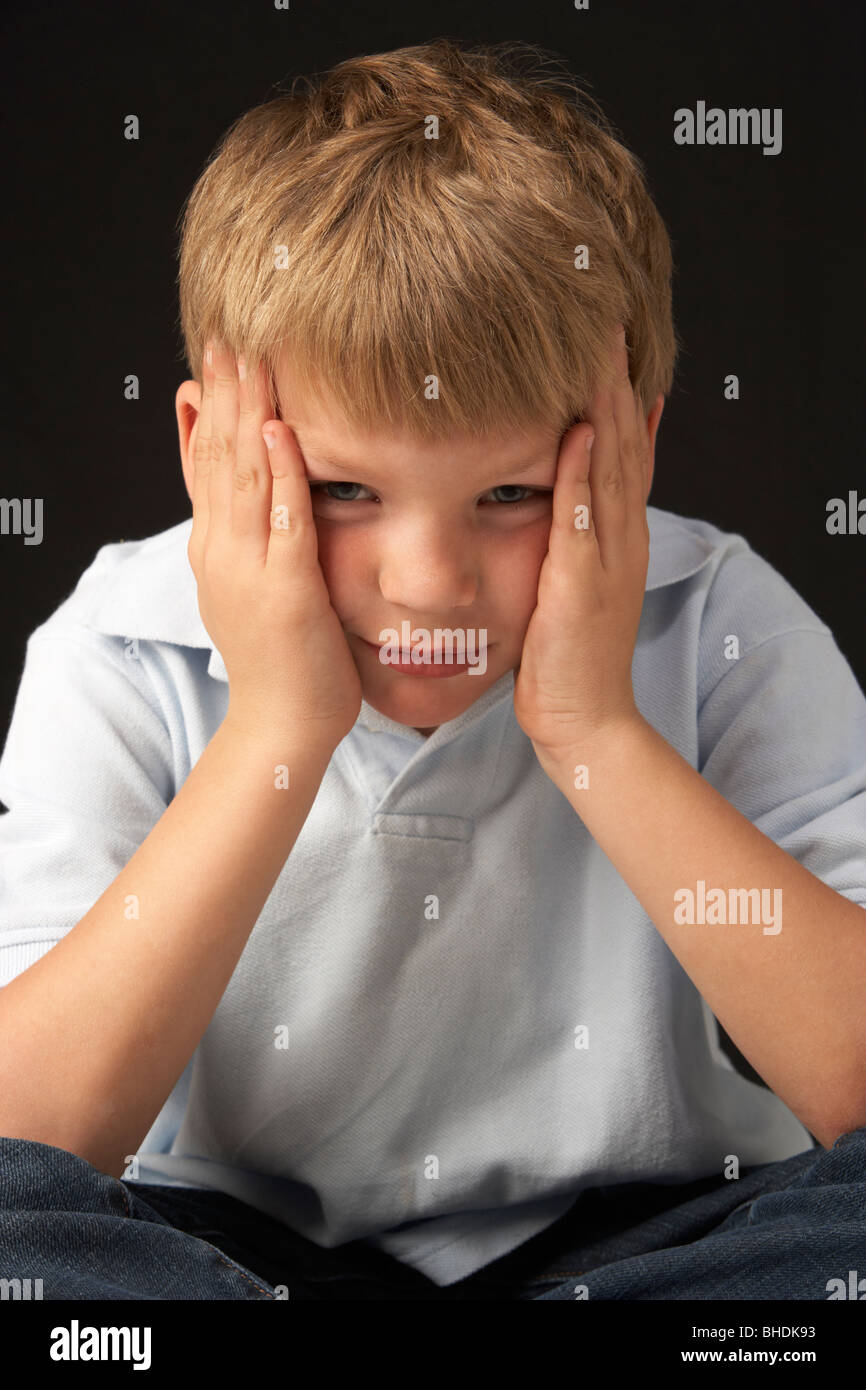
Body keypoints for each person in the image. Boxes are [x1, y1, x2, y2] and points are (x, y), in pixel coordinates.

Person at [0, 39, 864, 1301]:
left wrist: (591, 728)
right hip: (227, 1257)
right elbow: (33, 1132)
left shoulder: (718, 618)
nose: (428, 580)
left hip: (647, 1244)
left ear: (630, 445)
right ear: (212, 454)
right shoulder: (119, 644)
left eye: (509, 492)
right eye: (345, 489)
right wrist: (278, 726)